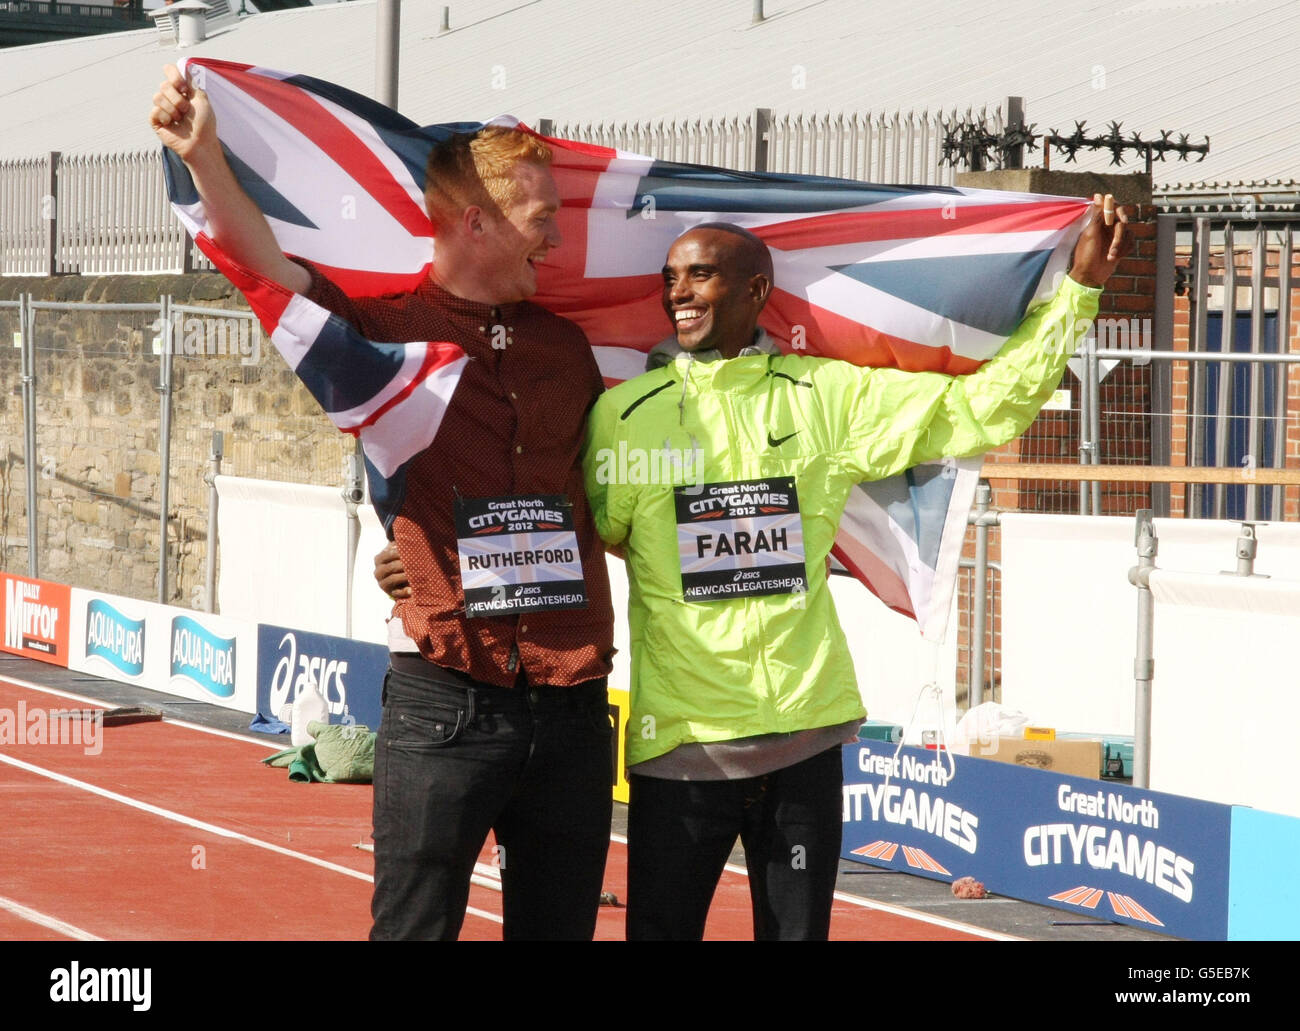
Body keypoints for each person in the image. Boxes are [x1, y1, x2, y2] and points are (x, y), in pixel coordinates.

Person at [150, 65, 616, 941]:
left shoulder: (572, 351)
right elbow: (270, 270)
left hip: (573, 702)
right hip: (446, 700)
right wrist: (206, 156)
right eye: (541, 218)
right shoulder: (385, 335)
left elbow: (613, 494)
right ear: (477, 221)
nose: (556, 236)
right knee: (412, 932)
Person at [579, 205, 1131, 940]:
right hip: (680, 749)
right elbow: (597, 530)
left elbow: (981, 409)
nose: (678, 292)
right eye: (670, 277)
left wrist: (1079, 293)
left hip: (803, 741)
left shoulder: (827, 398)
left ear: (757, 291)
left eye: (701, 275)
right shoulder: (622, 414)